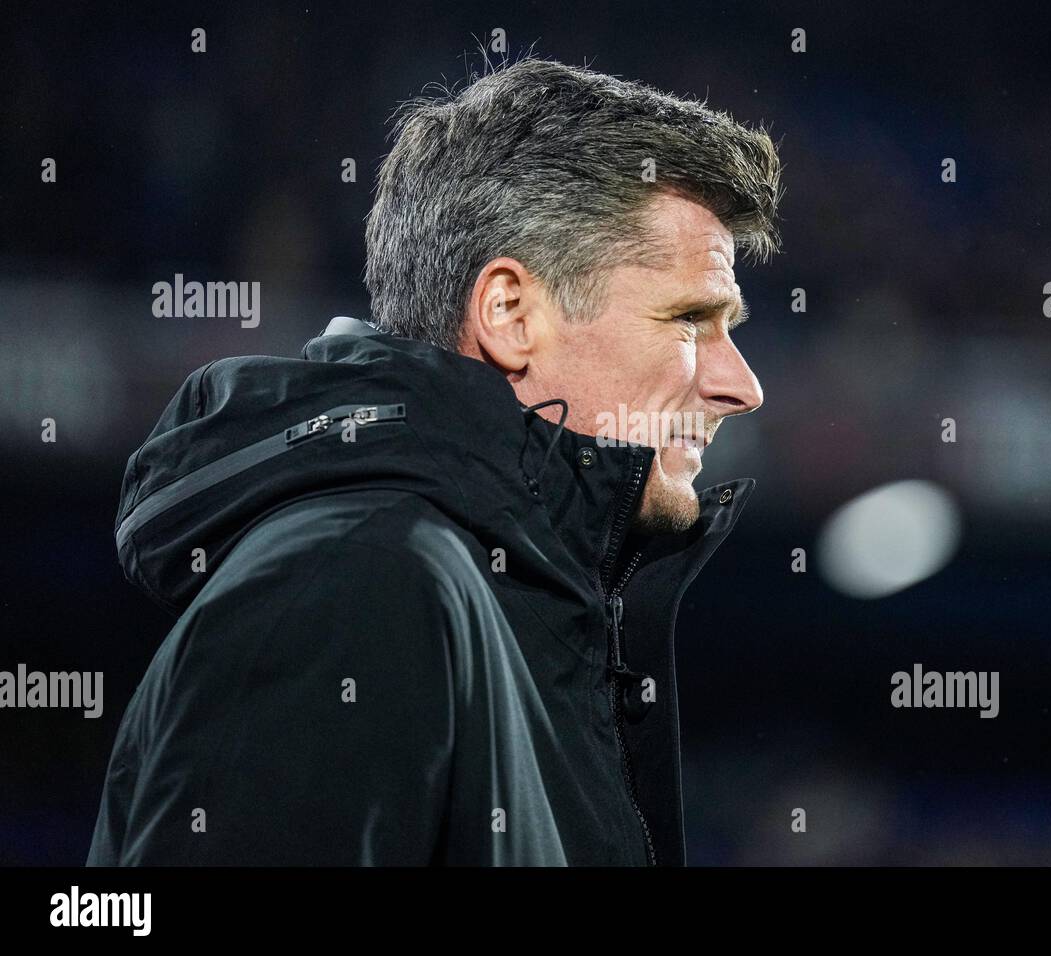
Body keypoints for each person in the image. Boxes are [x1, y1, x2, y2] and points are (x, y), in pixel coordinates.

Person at [87, 57, 782, 866]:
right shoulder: (358, 579)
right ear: (510, 314)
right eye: (692, 319)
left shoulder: (500, 597)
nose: (744, 386)